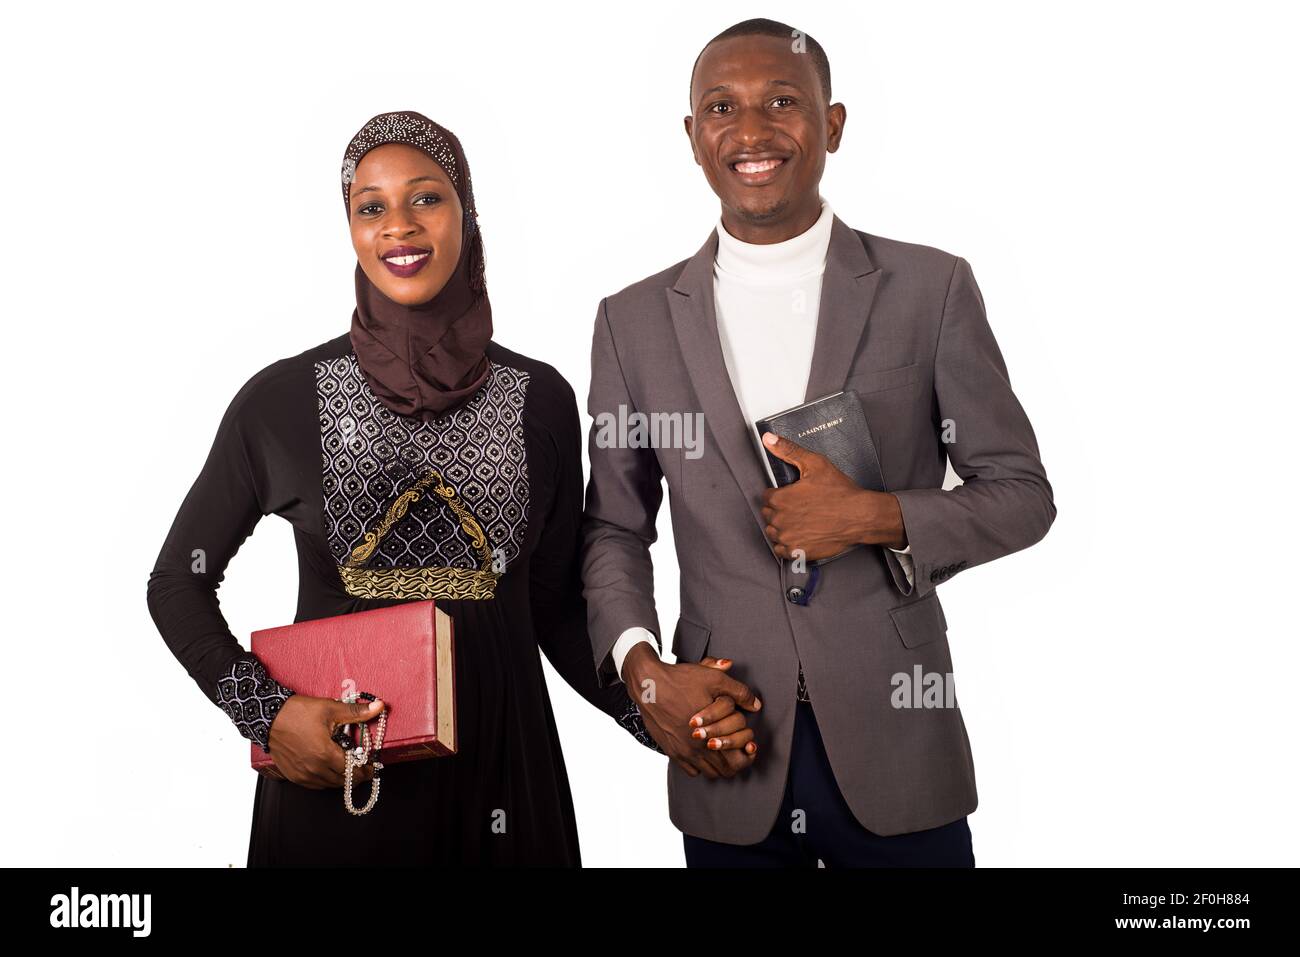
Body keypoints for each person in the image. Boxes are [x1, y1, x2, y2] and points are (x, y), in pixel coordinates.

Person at [581, 20, 1056, 866]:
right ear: (693, 137)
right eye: (722, 107)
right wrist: (642, 667)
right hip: (723, 737)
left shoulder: (931, 287)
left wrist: (872, 516)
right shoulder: (632, 320)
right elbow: (615, 528)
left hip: (900, 743)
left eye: (783, 102)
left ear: (832, 124)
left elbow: (1021, 493)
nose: (753, 131)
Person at [146, 110, 659, 867]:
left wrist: (662, 717)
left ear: (468, 214)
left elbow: (551, 609)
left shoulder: (538, 399)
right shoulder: (283, 400)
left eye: (426, 198)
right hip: (343, 784)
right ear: (349, 227)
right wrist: (267, 714)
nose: (399, 226)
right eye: (371, 206)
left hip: (502, 784)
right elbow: (175, 584)